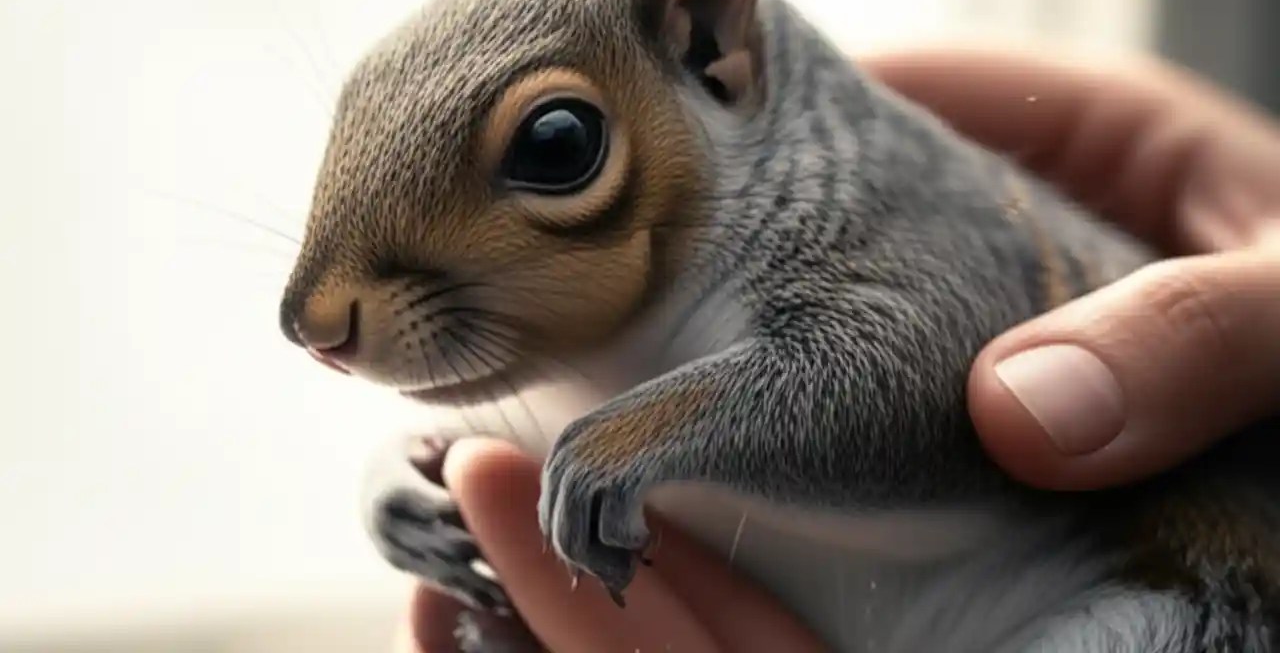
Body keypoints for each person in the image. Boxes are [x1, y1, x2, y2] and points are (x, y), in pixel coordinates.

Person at [396, 49, 1280, 653]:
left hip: (1128, 573)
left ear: (707, 47)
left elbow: (899, 395)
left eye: (559, 147)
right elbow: (485, 453)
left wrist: (638, 437)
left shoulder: (843, 215)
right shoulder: (581, 320)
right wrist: (407, 495)